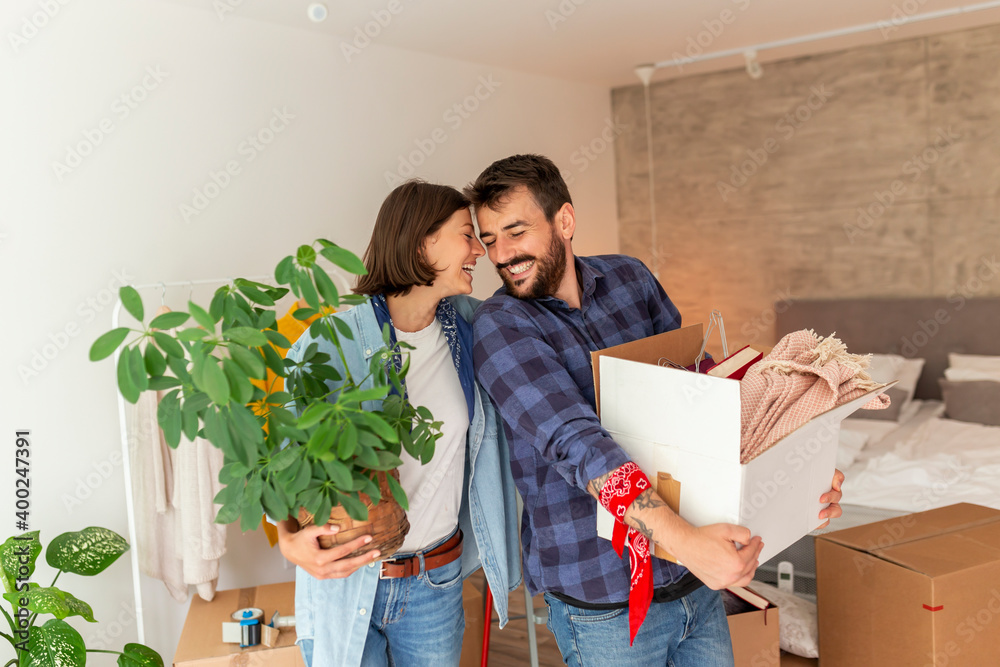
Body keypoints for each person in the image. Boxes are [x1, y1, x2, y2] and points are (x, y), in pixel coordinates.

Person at [466, 154, 845, 666]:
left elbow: (696, 397)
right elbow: (580, 446)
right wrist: (688, 543)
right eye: (489, 240)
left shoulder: (630, 279)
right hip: (605, 599)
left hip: (693, 586)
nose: (501, 254)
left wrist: (797, 470)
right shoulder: (501, 326)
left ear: (565, 221)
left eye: (516, 232)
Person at [276, 181, 521, 667]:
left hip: (435, 582)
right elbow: (283, 455)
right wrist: (287, 539)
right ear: (420, 243)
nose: (480, 250)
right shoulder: (332, 339)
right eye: (466, 235)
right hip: (346, 581)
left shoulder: (472, 329)